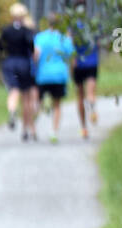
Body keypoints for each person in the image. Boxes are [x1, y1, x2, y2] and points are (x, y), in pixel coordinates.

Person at [0, 3, 37, 141]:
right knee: (26, 97)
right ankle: (25, 129)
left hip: (10, 62)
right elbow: (32, 47)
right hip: (24, 63)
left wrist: (4, 54)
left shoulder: (6, 31)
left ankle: (12, 110)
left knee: (14, 90)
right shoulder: (27, 30)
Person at [33, 12, 75, 144]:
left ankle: (32, 128)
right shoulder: (64, 38)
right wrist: (72, 73)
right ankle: (54, 132)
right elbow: (72, 57)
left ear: (48, 23)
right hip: (59, 75)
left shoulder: (40, 37)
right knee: (57, 105)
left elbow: (36, 56)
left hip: (43, 75)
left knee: (37, 103)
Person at [71, 5, 100, 138]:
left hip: (78, 63)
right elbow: (100, 43)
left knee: (80, 96)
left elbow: (69, 45)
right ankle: (92, 106)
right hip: (92, 62)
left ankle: (84, 128)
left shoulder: (72, 27)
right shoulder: (94, 25)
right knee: (91, 91)